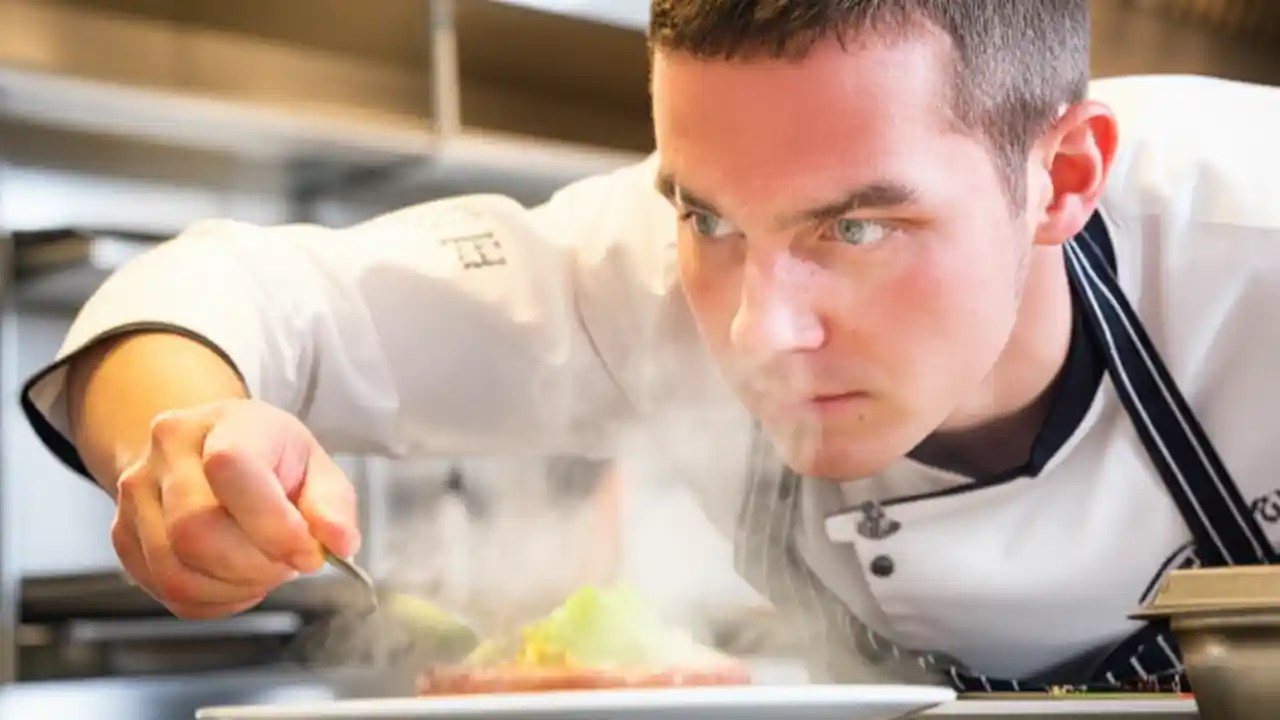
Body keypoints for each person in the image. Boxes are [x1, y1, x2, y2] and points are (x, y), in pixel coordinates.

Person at [19, 0, 1280, 692]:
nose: (756, 328)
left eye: (854, 226)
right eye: (709, 218)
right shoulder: (629, 270)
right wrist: (188, 445)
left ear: (1064, 175)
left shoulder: (1254, 234)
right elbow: (232, 294)